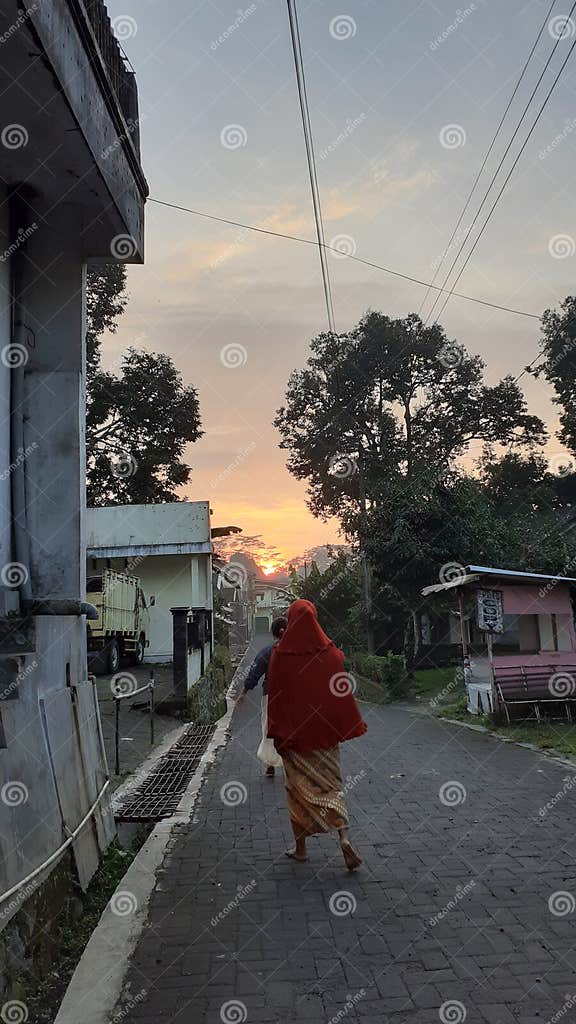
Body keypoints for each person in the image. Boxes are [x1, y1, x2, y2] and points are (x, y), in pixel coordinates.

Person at [267, 599, 367, 871]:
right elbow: (340, 695)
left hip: (295, 739)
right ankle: (344, 837)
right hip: (326, 738)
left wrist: (274, 732)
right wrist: (342, 726)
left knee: (296, 791)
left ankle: (300, 849)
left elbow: (275, 698)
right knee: (333, 786)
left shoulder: (280, 655)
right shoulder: (333, 655)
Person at [235, 617, 287, 776]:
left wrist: (243, 693)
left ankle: (270, 765)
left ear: (273, 633)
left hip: (270, 695)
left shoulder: (267, 651)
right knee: (291, 729)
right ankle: (291, 765)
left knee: (268, 729)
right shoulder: (298, 650)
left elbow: (254, 673)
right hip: (293, 697)